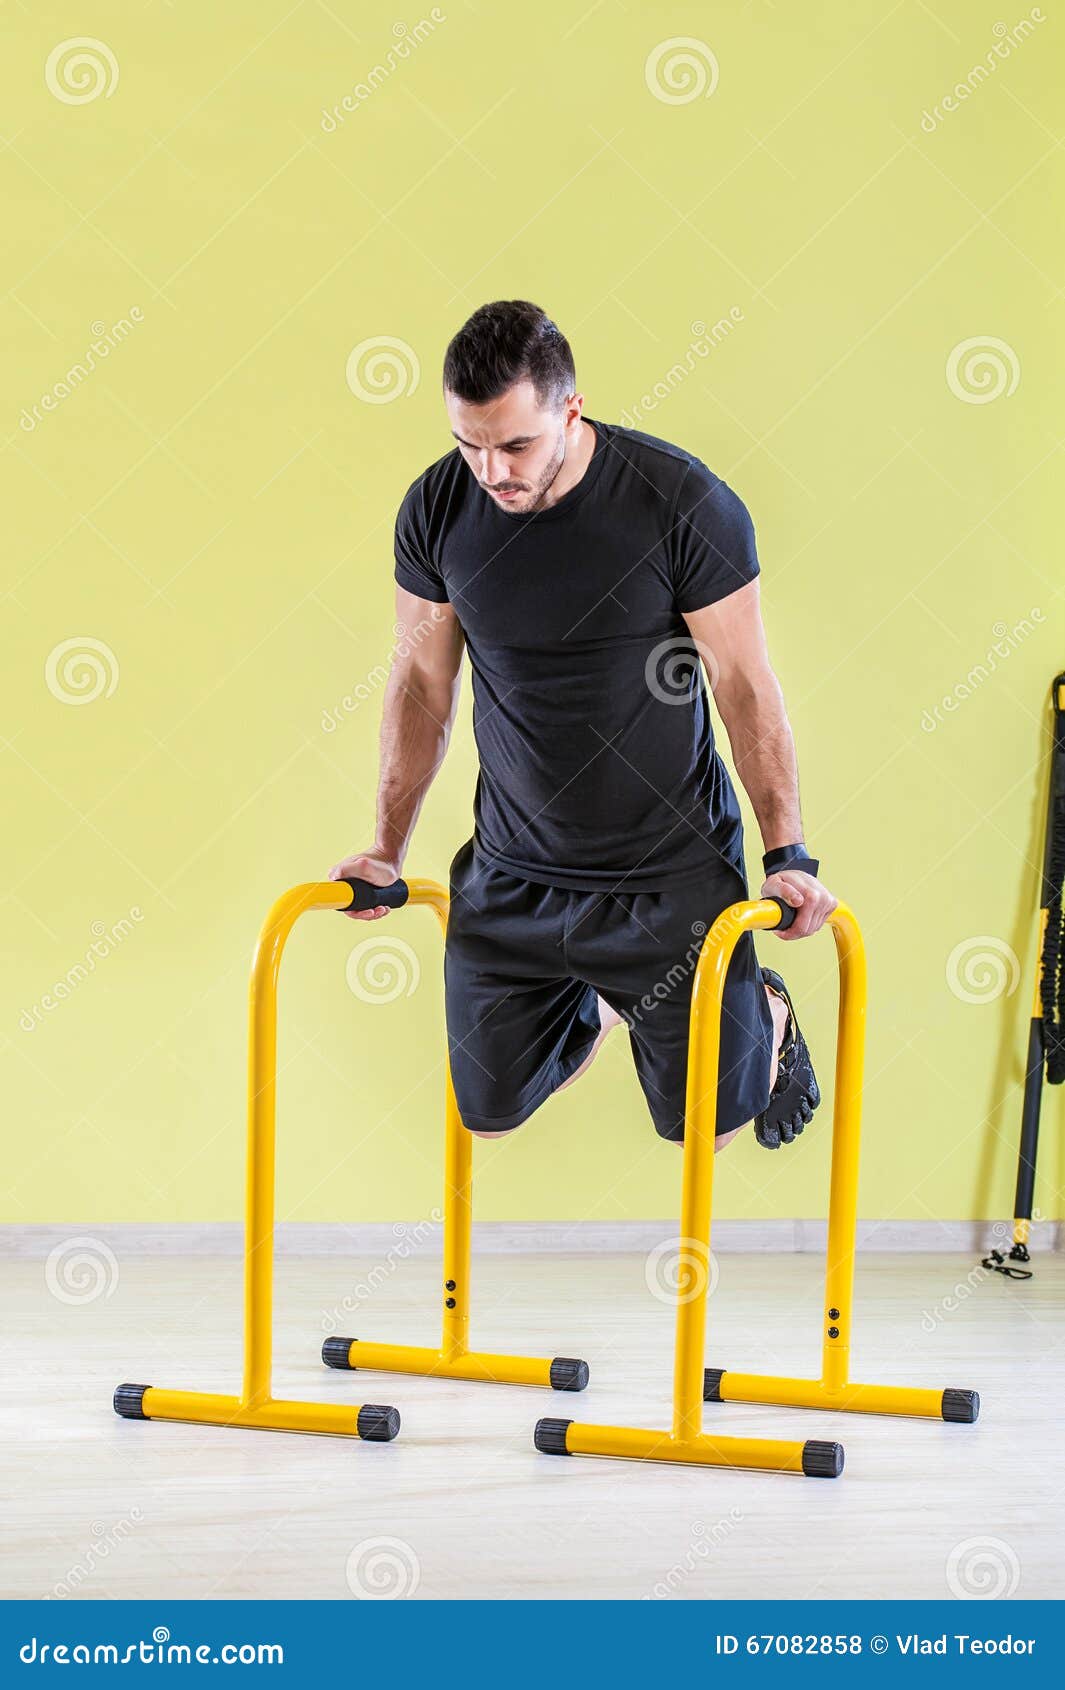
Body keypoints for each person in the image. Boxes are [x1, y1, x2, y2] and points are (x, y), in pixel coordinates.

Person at [329, 300, 836, 1152]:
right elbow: (420, 681)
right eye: (469, 444)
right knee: (487, 1114)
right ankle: (603, 1000)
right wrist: (386, 848)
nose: (491, 471)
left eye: (515, 445)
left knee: (705, 1136)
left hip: (666, 874)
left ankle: (766, 1013)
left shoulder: (680, 502)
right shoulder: (437, 508)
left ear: (570, 410)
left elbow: (745, 687)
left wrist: (787, 854)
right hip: (512, 871)